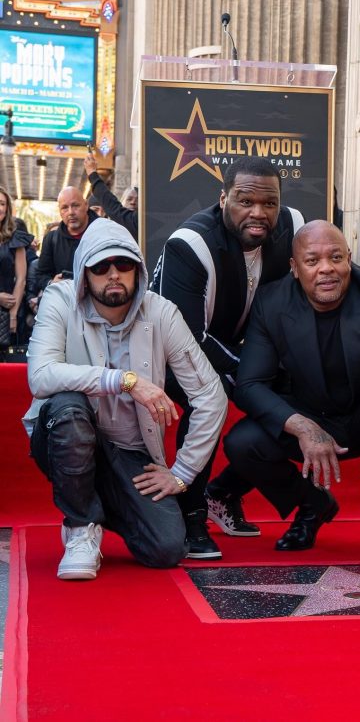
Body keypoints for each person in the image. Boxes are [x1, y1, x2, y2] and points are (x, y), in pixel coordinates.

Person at [217, 221, 360, 578]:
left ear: (349, 259)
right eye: (312, 260)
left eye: (336, 257)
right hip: (312, 416)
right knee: (243, 442)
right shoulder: (272, 303)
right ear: (294, 268)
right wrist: (303, 427)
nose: (326, 269)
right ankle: (313, 503)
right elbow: (250, 384)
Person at [23, 218, 227, 580]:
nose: (113, 274)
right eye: (100, 266)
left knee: (166, 548)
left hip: (130, 455)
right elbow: (41, 376)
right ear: (85, 272)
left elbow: (211, 395)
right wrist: (126, 381)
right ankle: (81, 525)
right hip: (63, 435)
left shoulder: (162, 312)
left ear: (138, 269)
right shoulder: (59, 301)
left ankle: (95, 504)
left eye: (124, 264)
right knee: (68, 405)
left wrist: (181, 475)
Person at [152, 159, 304, 558]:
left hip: (231, 346)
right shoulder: (190, 243)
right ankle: (190, 513)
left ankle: (224, 493)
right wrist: (249, 376)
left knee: (300, 403)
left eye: (268, 203)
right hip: (164, 350)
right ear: (223, 199)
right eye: (245, 200)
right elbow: (188, 337)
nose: (258, 212)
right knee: (211, 396)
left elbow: (328, 265)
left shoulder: (292, 227)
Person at [35, 186, 99, 290]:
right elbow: (40, 275)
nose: (71, 212)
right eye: (65, 207)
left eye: (75, 205)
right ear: (59, 211)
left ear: (86, 205)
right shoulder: (52, 239)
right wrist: (51, 282)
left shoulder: (103, 232)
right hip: (64, 302)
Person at [0, 187, 32, 354]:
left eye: (2, 203)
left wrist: (12, 315)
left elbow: (21, 279)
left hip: (8, 312)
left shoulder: (16, 238)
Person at [84, 153, 137, 238]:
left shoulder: (142, 222)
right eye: (129, 199)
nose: (133, 203)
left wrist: (92, 175)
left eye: (138, 200)